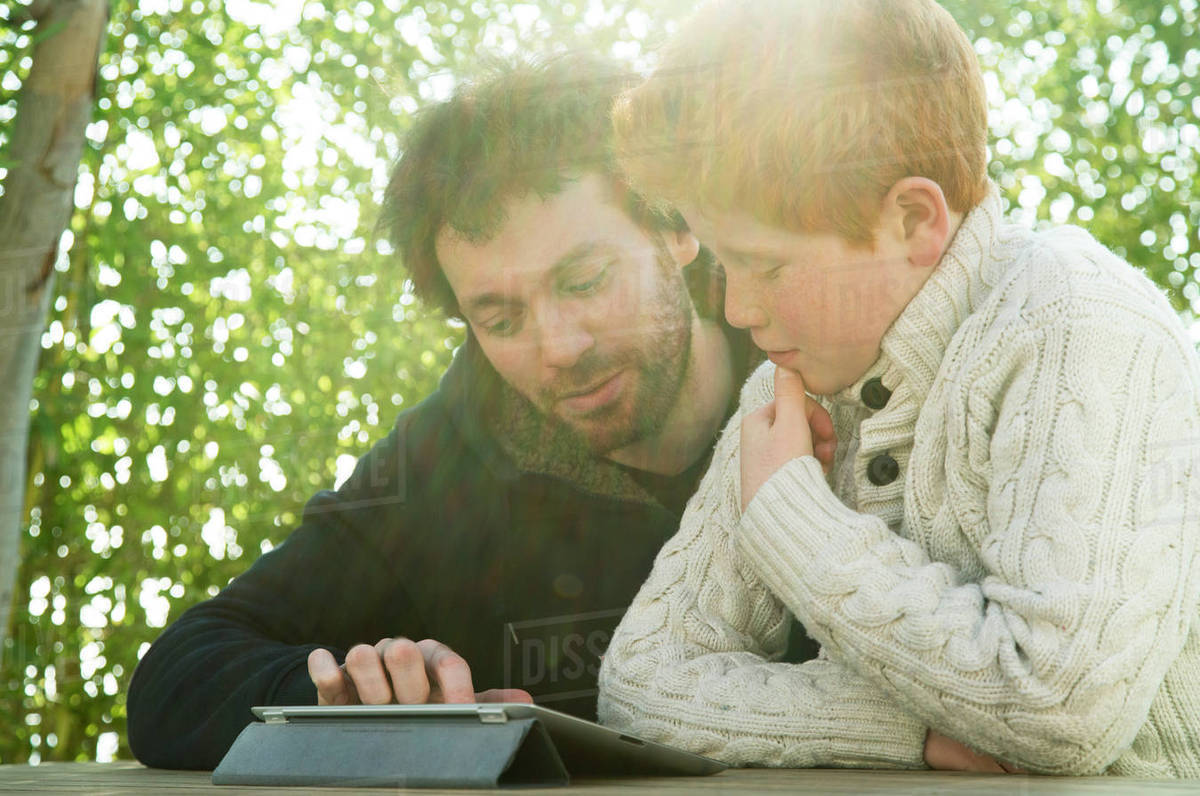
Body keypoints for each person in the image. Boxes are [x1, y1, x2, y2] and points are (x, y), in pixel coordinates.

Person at [125, 54, 814, 770]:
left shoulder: (831, 366)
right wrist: (349, 698)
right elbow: (174, 683)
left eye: (585, 282)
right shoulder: (438, 465)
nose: (560, 349)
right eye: (500, 318)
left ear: (677, 228)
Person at [597, 0, 1200, 777]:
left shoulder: (1081, 322)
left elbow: (1061, 710)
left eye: (766, 265)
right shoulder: (797, 381)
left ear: (914, 219)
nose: (738, 309)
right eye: (722, 264)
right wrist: (897, 732)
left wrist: (793, 519)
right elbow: (642, 684)